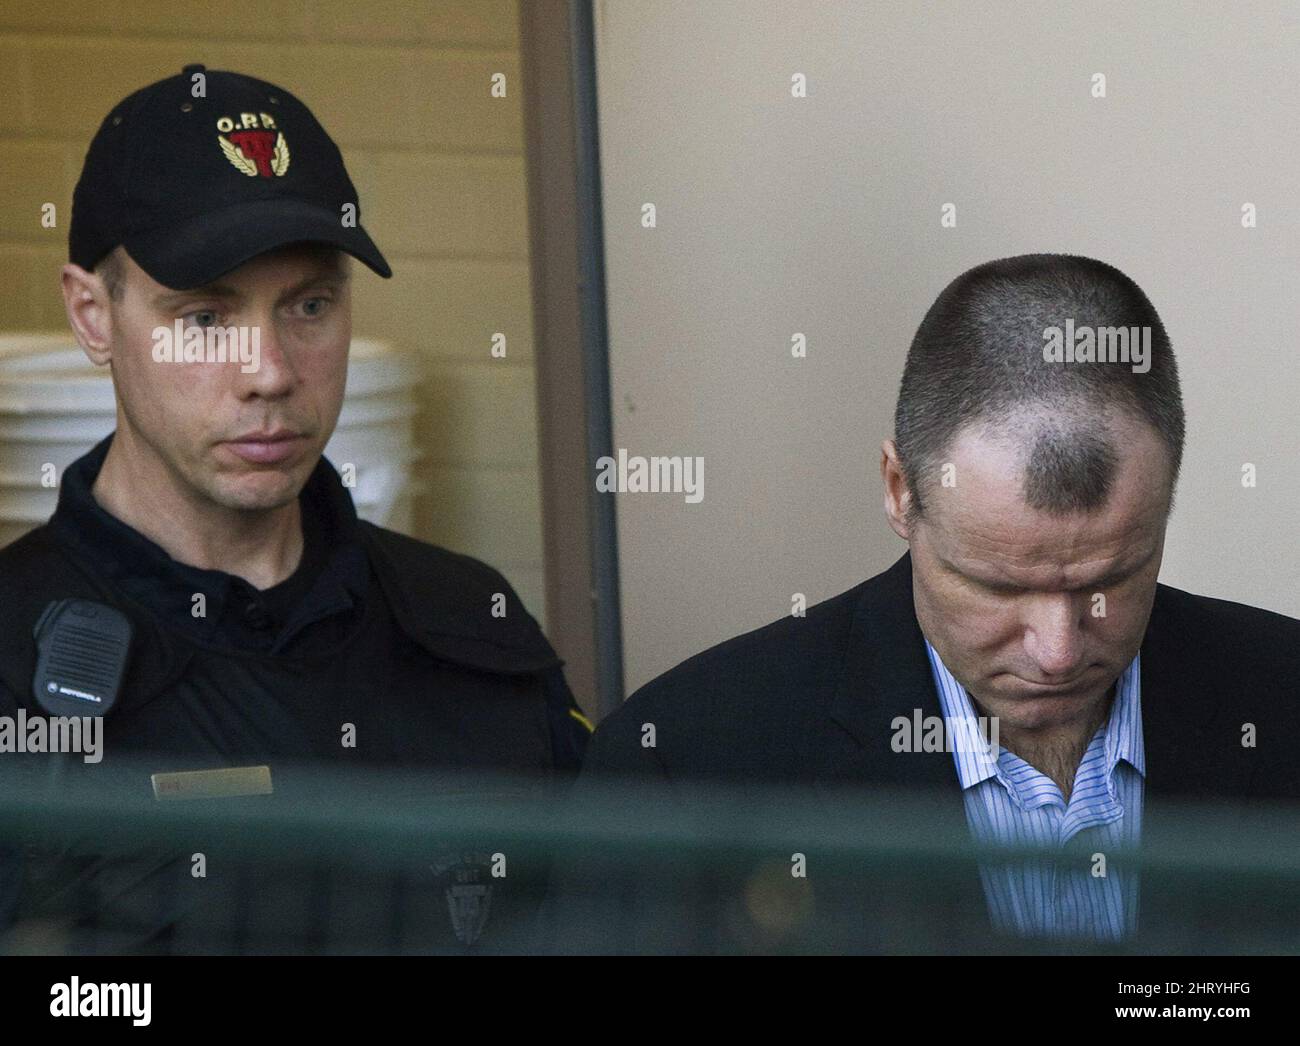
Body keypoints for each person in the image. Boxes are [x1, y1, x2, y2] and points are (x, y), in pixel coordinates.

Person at [548, 254, 1300, 953]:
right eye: (998, 585)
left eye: (1109, 582)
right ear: (901, 492)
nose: (1059, 649)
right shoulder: (682, 769)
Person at [0, 64, 590, 953]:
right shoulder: (13, 661)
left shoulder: (473, 626)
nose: (270, 371)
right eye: (205, 318)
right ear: (92, 315)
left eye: (309, 305)